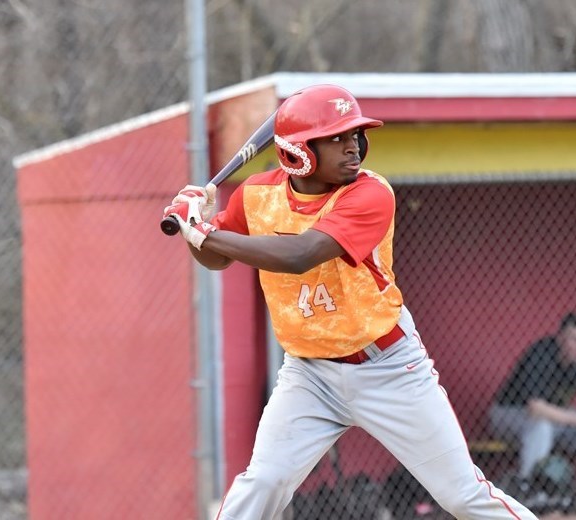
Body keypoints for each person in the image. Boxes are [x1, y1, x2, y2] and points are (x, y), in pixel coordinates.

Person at [163, 84, 538, 520]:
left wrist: (203, 230)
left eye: (354, 135)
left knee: (462, 496)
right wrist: (197, 226)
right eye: (336, 138)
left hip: (388, 367)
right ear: (299, 153)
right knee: (262, 484)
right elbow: (214, 259)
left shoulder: (369, 193)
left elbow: (300, 255)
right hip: (309, 374)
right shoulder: (256, 195)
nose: (352, 147)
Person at [489, 312, 576, 513]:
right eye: (575, 339)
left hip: (558, 421)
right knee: (540, 426)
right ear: (561, 339)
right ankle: (530, 490)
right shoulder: (541, 352)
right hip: (510, 414)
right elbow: (535, 407)